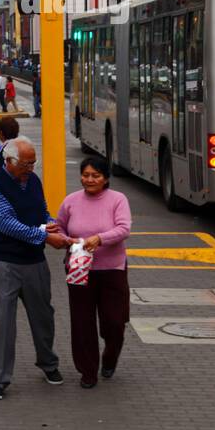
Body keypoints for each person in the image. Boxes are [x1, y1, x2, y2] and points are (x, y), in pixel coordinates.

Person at [0, 136, 69, 399]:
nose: (30, 169)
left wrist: (53, 225)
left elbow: (42, 213)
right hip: (4, 263)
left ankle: (48, 363)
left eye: (33, 163)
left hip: (35, 262)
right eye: (26, 164)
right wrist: (44, 237)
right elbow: (7, 224)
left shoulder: (33, 181)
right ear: (8, 161)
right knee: (3, 322)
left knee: (44, 317)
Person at [55, 156, 132, 389]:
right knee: (82, 323)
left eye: (95, 175)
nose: (90, 179)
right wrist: (66, 240)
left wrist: (100, 239)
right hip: (79, 269)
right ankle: (87, 372)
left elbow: (123, 228)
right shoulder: (71, 201)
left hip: (112, 269)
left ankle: (110, 357)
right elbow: (59, 226)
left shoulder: (118, 200)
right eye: (86, 175)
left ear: (105, 178)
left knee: (114, 322)